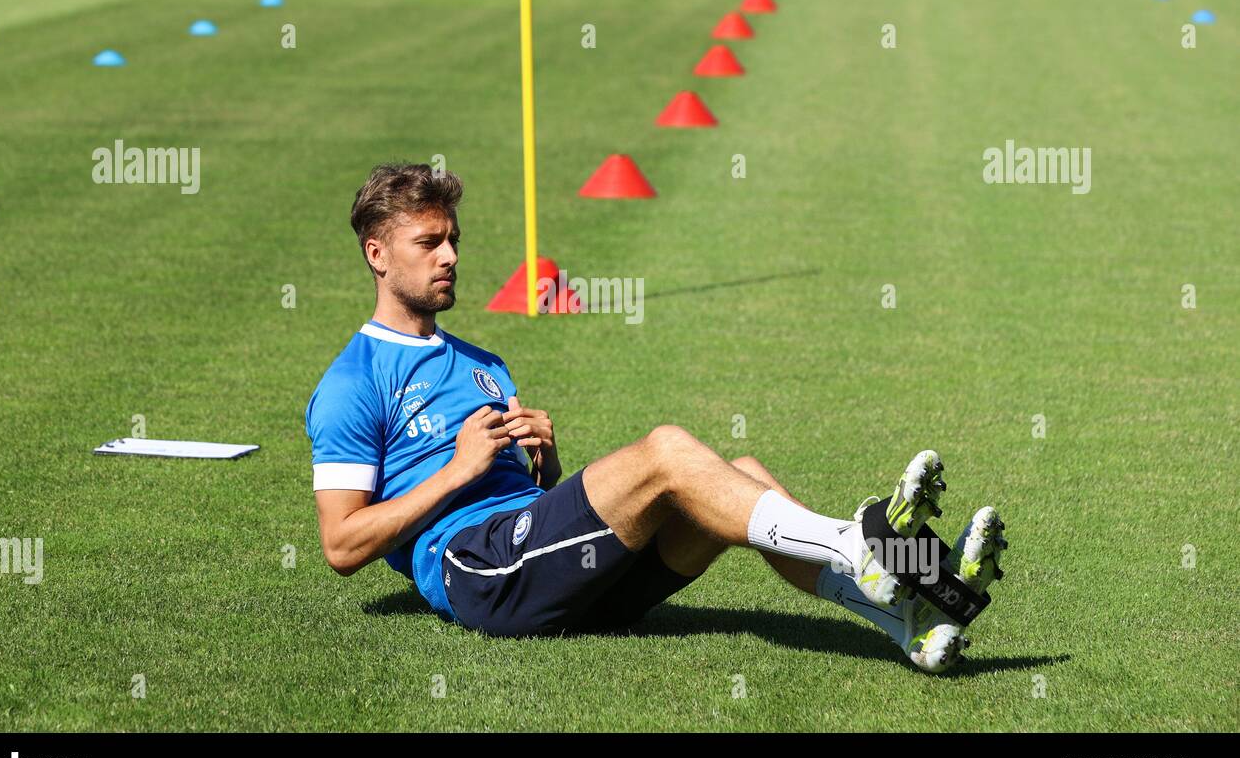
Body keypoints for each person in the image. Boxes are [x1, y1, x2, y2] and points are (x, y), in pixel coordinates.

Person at [306, 164, 1006, 673]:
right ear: (377, 254)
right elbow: (341, 547)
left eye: (453, 238)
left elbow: (536, 502)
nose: (452, 256)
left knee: (741, 476)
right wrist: (458, 471)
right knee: (668, 450)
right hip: (480, 573)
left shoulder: (482, 362)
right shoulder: (353, 383)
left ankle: (913, 612)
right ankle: (862, 546)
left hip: (565, 578)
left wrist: (545, 459)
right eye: (429, 243)